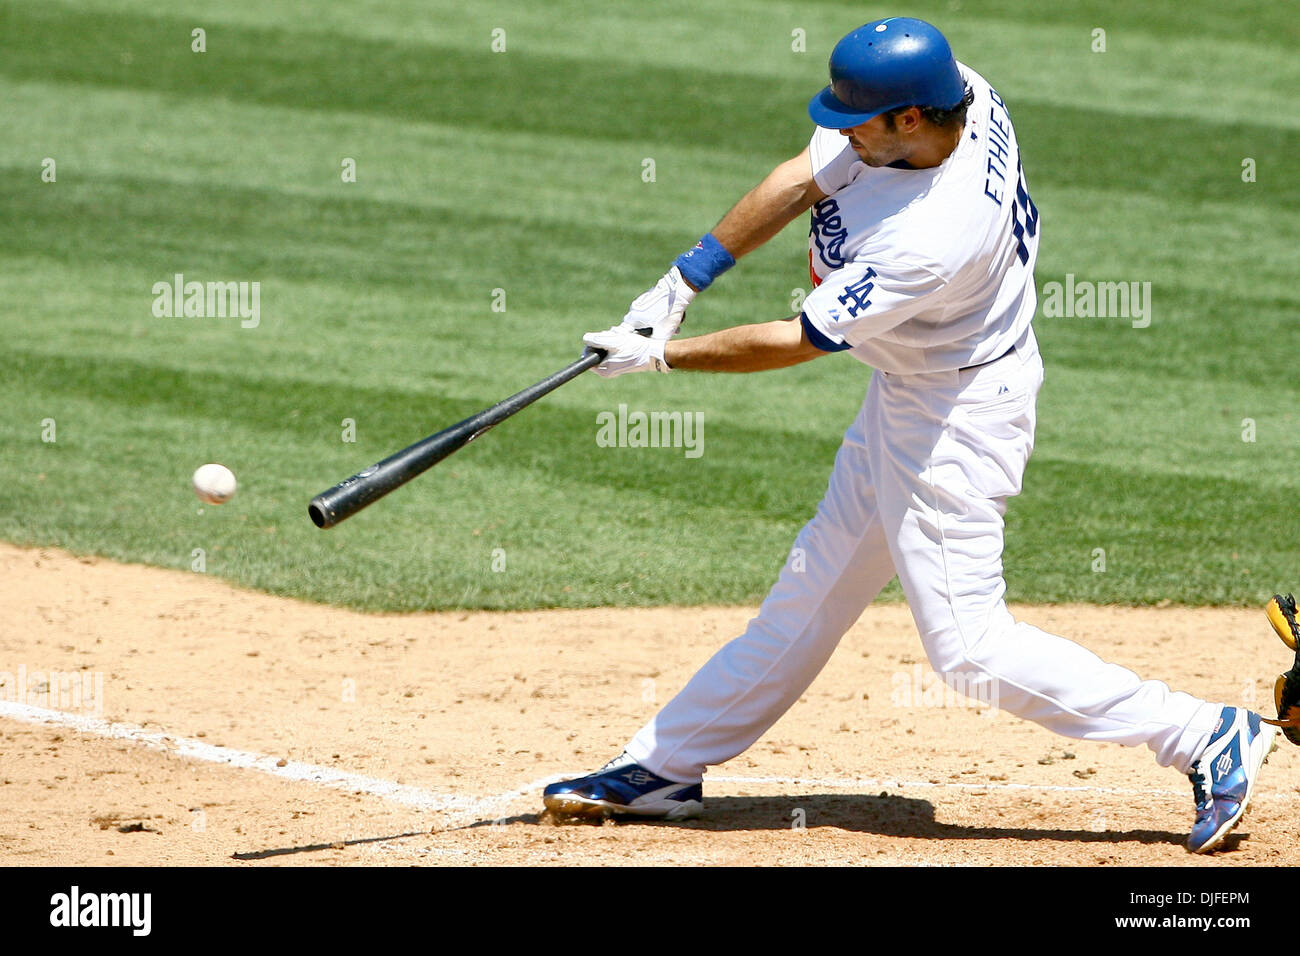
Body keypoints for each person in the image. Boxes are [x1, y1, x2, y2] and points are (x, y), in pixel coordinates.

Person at [543, 17, 1285, 853]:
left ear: (908, 120)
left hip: (956, 418)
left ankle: (1202, 733)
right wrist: (680, 283)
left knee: (969, 648)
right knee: (813, 589)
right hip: (917, 389)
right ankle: (666, 766)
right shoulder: (946, 90)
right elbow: (801, 179)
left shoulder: (933, 238)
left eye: (858, 118)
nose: (839, 130)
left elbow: (798, 341)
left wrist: (661, 360)